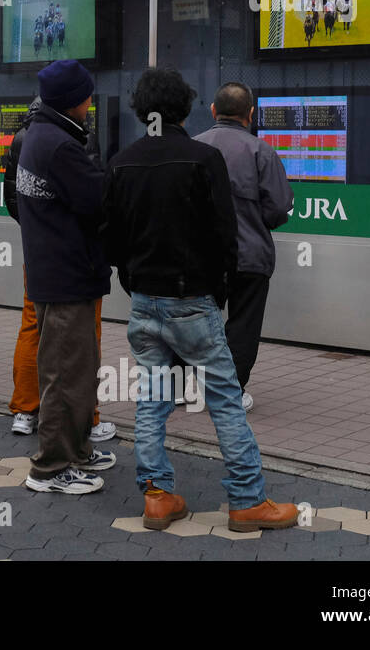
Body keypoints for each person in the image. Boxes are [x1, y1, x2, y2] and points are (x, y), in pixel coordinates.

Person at [102, 66, 298, 533]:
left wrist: (134, 283)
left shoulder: (121, 162)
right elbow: (224, 235)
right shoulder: (200, 159)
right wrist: (219, 289)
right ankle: (248, 501)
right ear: (187, 108)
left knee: (151, 400)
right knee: (226, 399)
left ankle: (158, 497)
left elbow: (110, 238)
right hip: (193, 299)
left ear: (138, 109)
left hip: (145, 301)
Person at [13, 62, 116, 496]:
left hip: (53, 272)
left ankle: (77, 450)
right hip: (67, 277)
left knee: (78, 369)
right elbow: (100, 201)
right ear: (75, 100)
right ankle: (52, 467)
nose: (91, 104)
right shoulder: (60, 146)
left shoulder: (36, 136)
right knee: (64, 374)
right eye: (87, 97)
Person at [194, 82, 293, 412]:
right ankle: (230, 390)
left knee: (197, 321)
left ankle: (186, 386)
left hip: (202, 257)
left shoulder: (194, 148)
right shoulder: (261, 152)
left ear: (212, 110)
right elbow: (279, 208)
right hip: (250, 257)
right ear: (251, 114)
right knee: (244, 324)